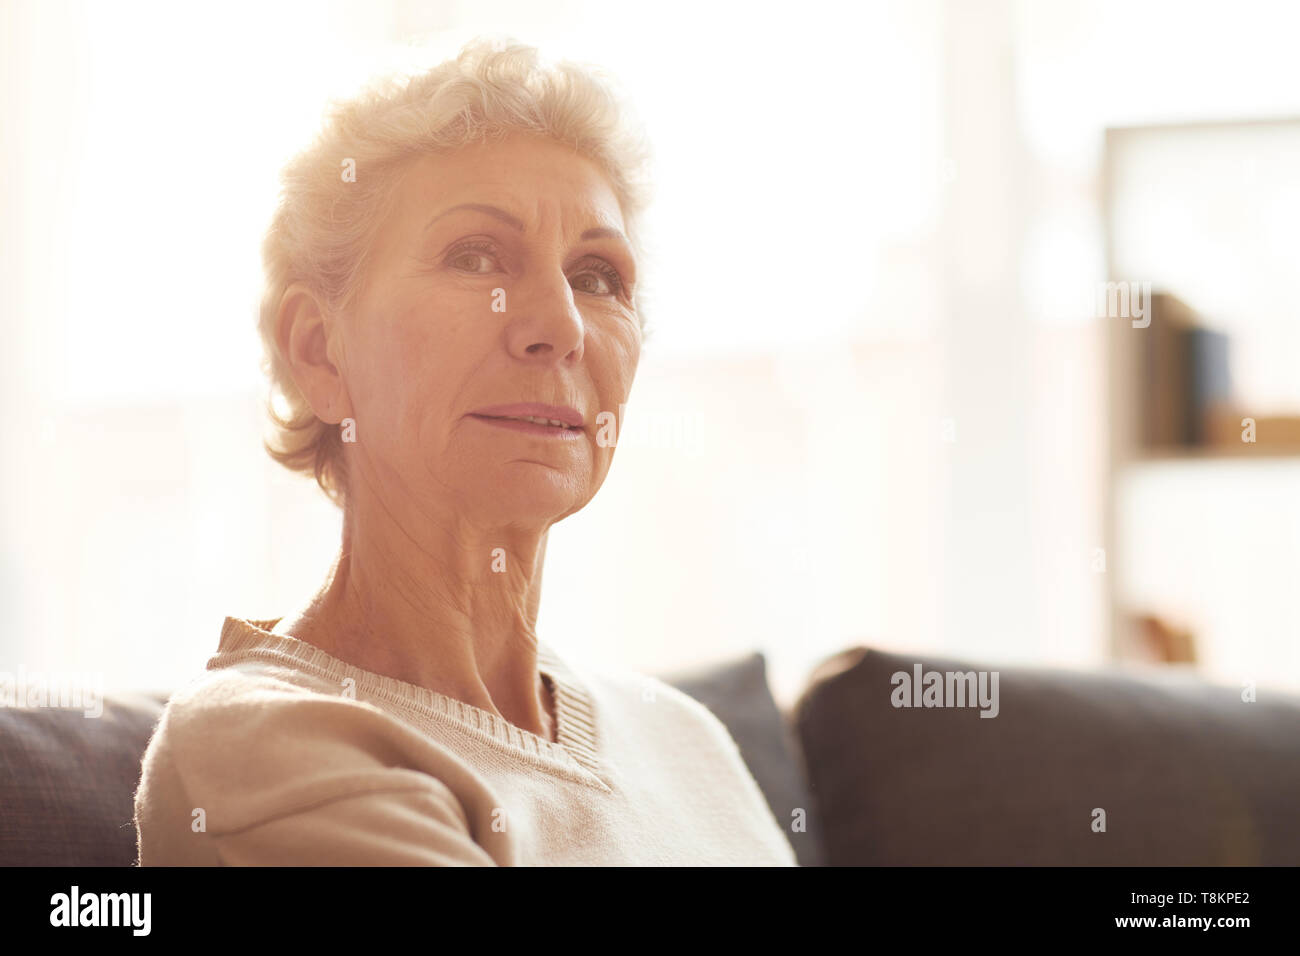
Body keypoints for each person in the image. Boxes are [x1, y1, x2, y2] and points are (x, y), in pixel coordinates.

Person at [132, 36, 797, 866]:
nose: (560, 326)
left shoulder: (686, 738)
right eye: (475, 258)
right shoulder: (268, 745)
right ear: (320, 353)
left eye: (596, 276)